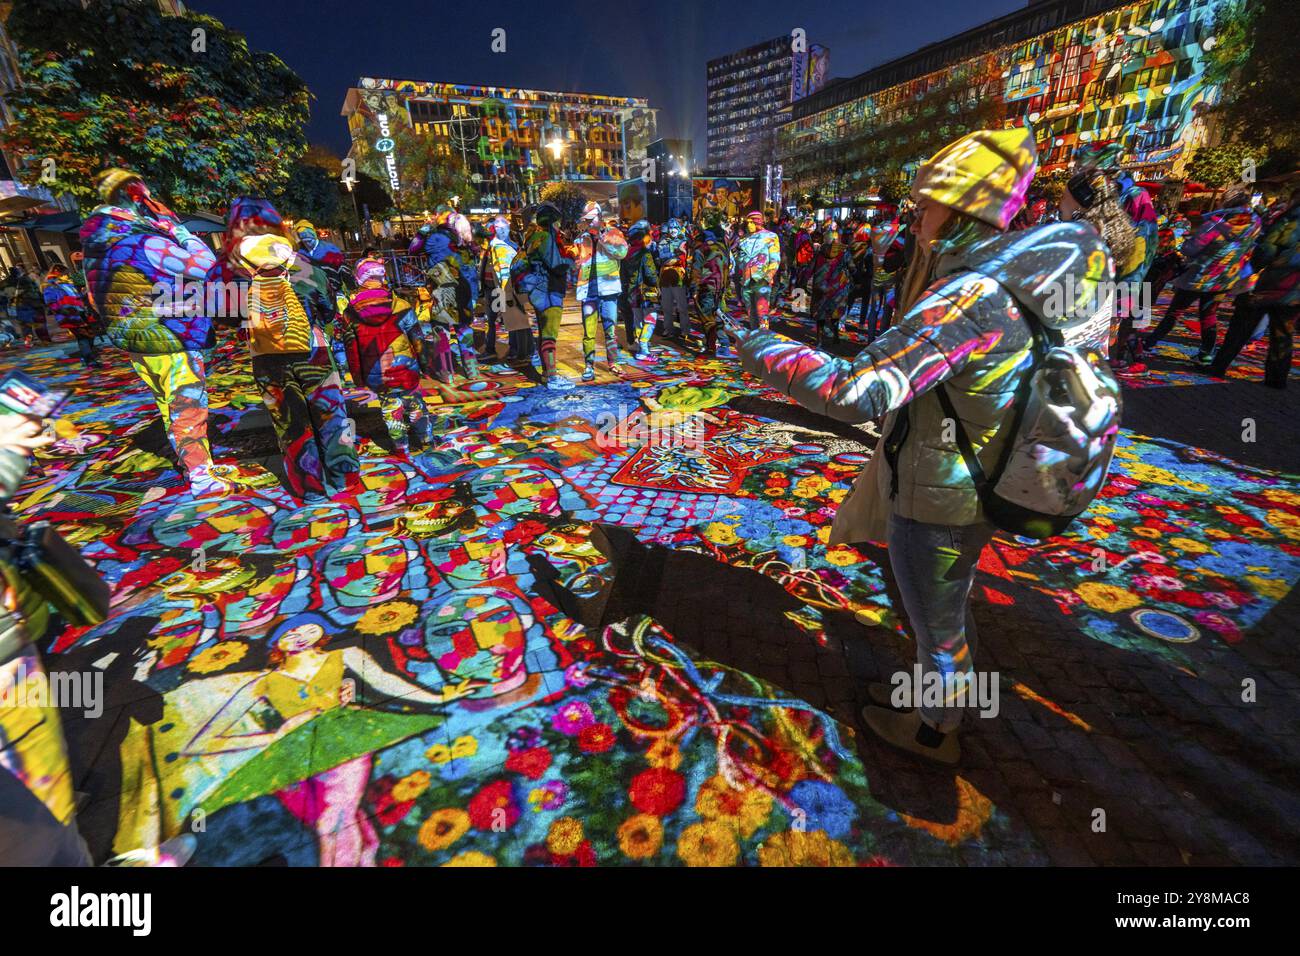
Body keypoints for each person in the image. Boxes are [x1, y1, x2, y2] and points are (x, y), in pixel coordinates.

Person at [732, 128, 1111, 765]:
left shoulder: (969, 297)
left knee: (937, 626)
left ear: (963, 205)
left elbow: (860, 390)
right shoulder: (1022, 279)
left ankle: (936, 732)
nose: (915, 214)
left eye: (926, 201)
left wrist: (761, 348)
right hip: (985, 470)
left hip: (944, 492)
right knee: (942, 612)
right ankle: (929, 703)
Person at [80, 168, 230, 497]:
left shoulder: (95, 250)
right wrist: (177, 227)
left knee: (166, 401)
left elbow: (93, 298)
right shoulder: (145, 242)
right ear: (137, 200)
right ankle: (200, 475)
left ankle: (191, 460)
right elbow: (208, 266)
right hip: (169, 336)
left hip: (133, 339)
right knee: (187, 404)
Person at [218, 198, 358, 500]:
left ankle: (310, 488)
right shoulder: (298, 261)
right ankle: (343, 476)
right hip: (313, 349)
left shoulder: (228, 269)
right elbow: (328, 307)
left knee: (290, 424)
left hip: (266, 357)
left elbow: (221, 315)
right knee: (331, 414)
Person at [1142, 185, 1261, 365]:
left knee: (1174, 312)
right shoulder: (1253, 224)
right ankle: (1206, 352)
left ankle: (1149, 343)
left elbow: (1191, 249)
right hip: (1225, 277)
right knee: (1209, 315)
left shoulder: (1215, 224)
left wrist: (1187, 242)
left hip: (1200, 276)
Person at [340, 257, 435, 453]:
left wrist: (358, 378)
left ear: (359, 280)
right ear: (382, 277)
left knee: (391, 411)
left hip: (377, 373)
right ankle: (426, 440)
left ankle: (401, 447)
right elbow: (417, 338)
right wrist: (425, 365)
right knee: (415, 405)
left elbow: (351, 350)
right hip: (406, 366)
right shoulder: (400, 305)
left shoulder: (350, 313)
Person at [1210, 188, 1300, 387]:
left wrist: (1255, 266)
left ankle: (1219, 365)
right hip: (1295, 291)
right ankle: (1276, 379)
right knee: (1283, 334)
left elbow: (1267, 249)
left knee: (1240, 327)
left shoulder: (1290, 220)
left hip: (1270, 284)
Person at [510, 202, 573, 390]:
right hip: (549, 292)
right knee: (549, 335)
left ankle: (547, 373)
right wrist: (571, 259)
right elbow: (557, 264)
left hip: (538, 292)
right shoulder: (546, 238)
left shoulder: (533, 237)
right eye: (558, 222)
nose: (560, 226)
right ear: (552, 221)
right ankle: (552, 378)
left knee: (544, 332)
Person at [570, 202, 628, 381]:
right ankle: (589, 366)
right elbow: (575, 264)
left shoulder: (614, 234)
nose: (588, 223)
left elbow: (622, 253)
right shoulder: (580, 239)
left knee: (610, 329)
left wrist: (603, 239)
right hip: (588, 293)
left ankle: (613, 363)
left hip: (609, 290)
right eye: (586, 220)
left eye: (591, 219)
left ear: (599, 217)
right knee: (589, 332)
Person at [422, 207, 480, 383]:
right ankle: (472, 371)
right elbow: (472, 275)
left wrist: (426, 228)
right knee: (464, 331)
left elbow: (414, 248)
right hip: (465, 294)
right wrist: (474, 298)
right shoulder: (467, 246)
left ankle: (447, 374)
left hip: (445, 291)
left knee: (442, 333)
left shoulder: (436, 239)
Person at [689, 209, 732, 357]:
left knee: (707, 317)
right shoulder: (723, 239)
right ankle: (724, 344)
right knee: (719, 314)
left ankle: (711, 347)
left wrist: (693, 288)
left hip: (706, 285)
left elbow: (696, 267)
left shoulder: (702, 241)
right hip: (720, 284)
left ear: (704, 222)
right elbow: (728, 263)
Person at [618, 219, 660, 362]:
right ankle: (643, 348)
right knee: (651, 319)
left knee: (638, 321)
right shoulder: (645, 254)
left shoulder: (626, 254)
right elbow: (651, 276)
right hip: (646, 293)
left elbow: (622, 274)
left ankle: (641, 347)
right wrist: (657, 283)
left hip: (631, 293)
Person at [42, 263, 100, 368]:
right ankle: (90, 361)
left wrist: (83, 294)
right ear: (58, 272)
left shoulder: (67, 283)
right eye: (65, 273)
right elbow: (50, 301)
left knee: (90, 335)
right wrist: (62, 311)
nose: (67, 275)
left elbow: (75, 297)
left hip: (80, 313)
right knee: (83, 337)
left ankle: (86, 358)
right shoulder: (50, 285)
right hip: (69, 315)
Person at [733, 211, 781, 334]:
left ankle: (764, 338)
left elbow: (775, 259)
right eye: (747, 222)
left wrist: (768, 276)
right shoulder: (743, 240)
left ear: (758, 222)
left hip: (762, 280)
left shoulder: (770, 236)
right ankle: (755, 336)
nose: (749, 225)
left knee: (762, 313)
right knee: (751, 313)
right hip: (746, 280)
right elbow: (739, 259)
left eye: (751, 222)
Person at [810, 219, 853, 347]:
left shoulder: (819, 252)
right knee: (835, 311)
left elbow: (810, 268)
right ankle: (835, 335)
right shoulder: (844, 252)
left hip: (820, 286)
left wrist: (802, 282)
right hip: (838, 286)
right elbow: (852, 267)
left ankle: (819, 339)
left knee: (820, 313)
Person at [654, 218, 690, 339]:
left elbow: (687, 256)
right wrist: (675, 253)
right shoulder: (663, 241)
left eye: (675, 228)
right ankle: (668, 328)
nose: (673, 230)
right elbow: (661, 256)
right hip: (665, 275)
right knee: (666, 305)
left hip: (679, 275)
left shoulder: (684, 241)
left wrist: (680, 253)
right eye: (670, 228)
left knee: (682, 306)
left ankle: (685, 329)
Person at [846, 223, 876, 337]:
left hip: (854, 277)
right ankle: (862, 323)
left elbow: (849, 262)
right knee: (865, 301)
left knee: (850, 299)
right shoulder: (870, 248)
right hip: (866, 278)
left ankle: (843, 319)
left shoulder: (853, 246)